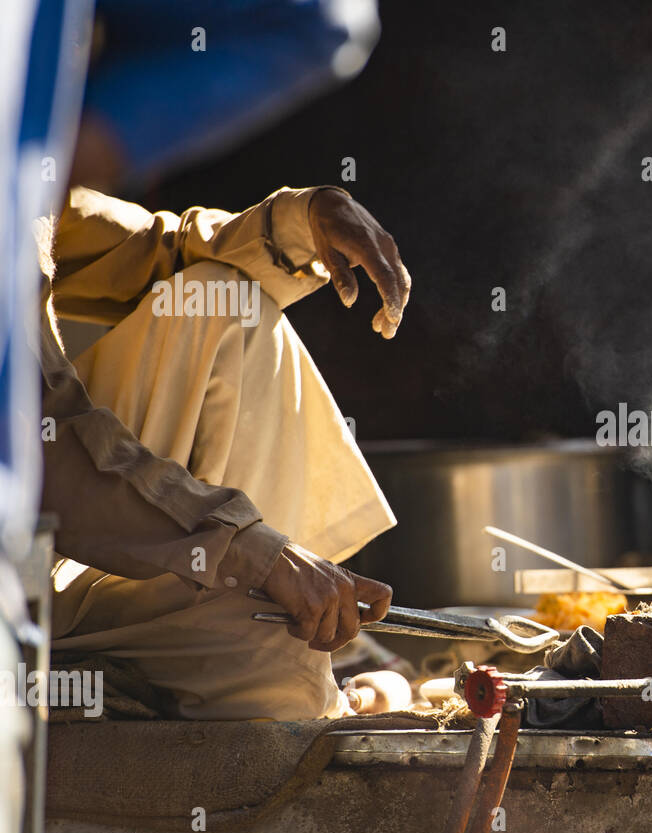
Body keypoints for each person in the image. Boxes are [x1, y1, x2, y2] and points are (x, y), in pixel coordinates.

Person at [39, 181, 410, 721]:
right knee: (283, 672)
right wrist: (244, 543)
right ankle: (302, 659)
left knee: (223, 298)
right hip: (28, 547)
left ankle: (288, 605)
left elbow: (154, 251)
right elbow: (42, 453)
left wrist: (302, 222)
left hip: (67, 517)